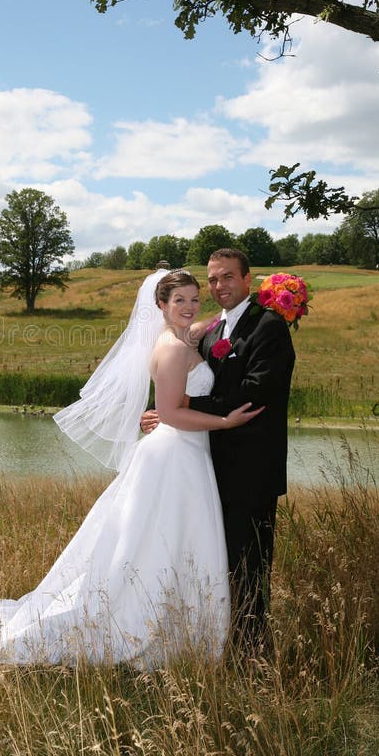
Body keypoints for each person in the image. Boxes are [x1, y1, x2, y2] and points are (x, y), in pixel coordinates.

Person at [0, 269, 261, 669]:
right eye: (180, 301)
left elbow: (213, 329)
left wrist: (267, 301)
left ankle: (176, 626)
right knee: (161, 543)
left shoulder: (181, 337)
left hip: (184, 454)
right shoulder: (173, 348)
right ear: (161, 305)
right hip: (175, 454)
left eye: (195, 299)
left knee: (166, 542)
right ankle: (151, 625)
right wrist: (226, 422)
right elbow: (172, 412)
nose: (190, 307)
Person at [143, 249, 295, 651]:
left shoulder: (269, 327)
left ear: (248, 279)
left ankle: (251, 654)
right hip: (205, 468)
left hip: (250, 471)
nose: (218, 287)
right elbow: (179, 378)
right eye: (212, 280)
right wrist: (160, 412)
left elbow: (256, 391)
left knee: (249, 568)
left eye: (227, 277)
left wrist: (179, 409)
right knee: (210, 563)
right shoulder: (209, 332)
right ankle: (205, 642)